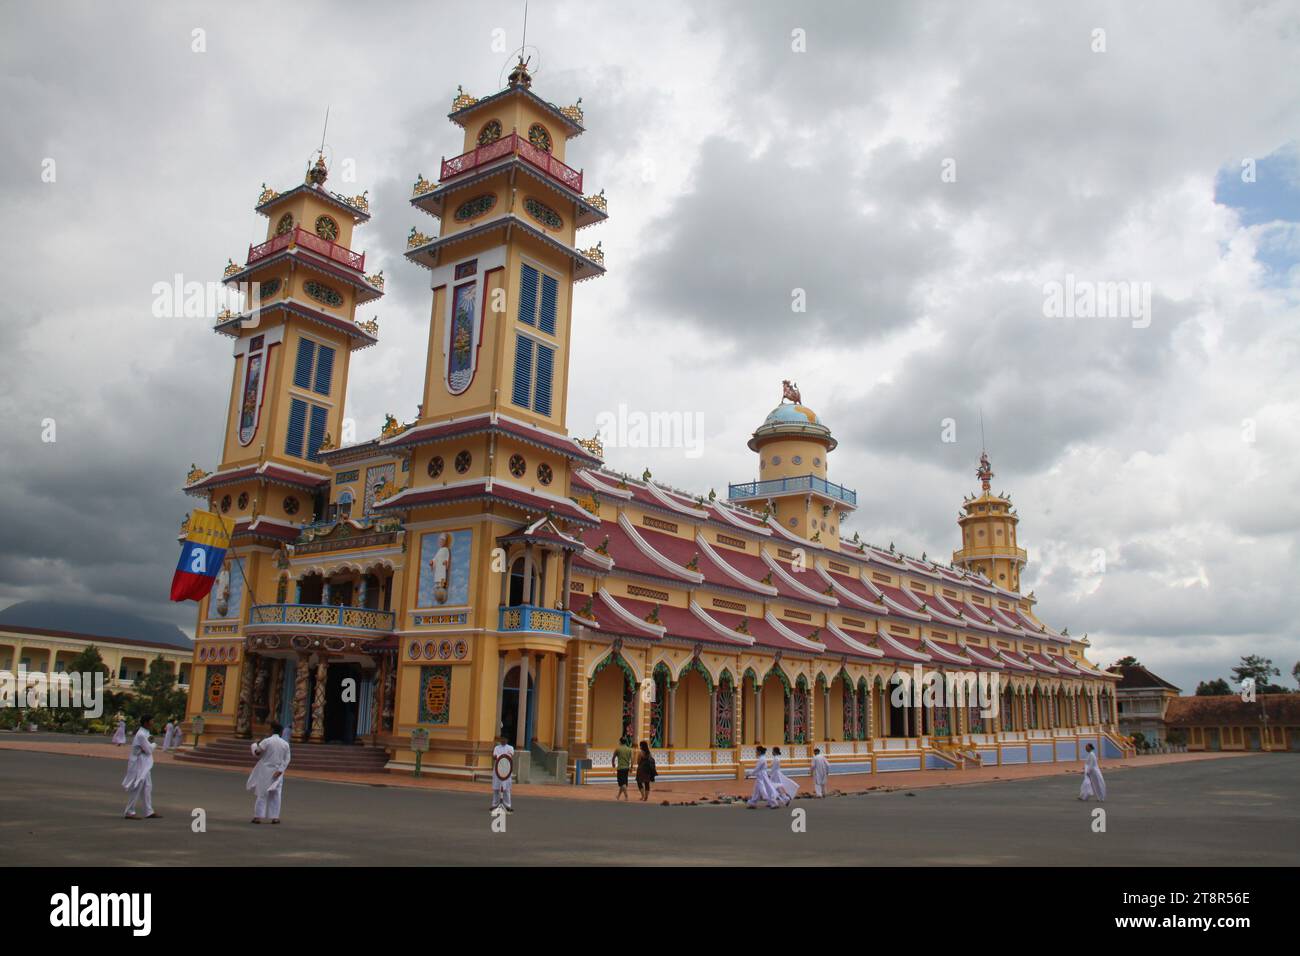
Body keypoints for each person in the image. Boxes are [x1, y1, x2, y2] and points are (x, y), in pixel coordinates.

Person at [248, 720, 292, 824]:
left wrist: (254, 745)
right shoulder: (285, 744)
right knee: (276, 794)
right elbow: (287, 759)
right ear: (281, 732)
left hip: (265, 770)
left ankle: (258, 816)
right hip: (277, 771)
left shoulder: (267, 741)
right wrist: (281, 770)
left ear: (272, 730)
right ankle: (275, 817)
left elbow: (257, 753)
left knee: (262, 792)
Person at [122, 715, 159, 819]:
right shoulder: (141, 734)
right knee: (137, 786)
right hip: (139, 763)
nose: (153, 723)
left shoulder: (146, 733)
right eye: (152, 721)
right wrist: (154, 744)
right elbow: (149, 750)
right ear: (146, 722)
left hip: (145, 763)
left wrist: (149, 745)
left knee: (148, 787)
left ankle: (149, 811)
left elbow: (147, 747)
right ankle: (129, 811)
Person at [491, 734, 514, 812]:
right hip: (497, 770)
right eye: (502, 739)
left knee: (506, 789)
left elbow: (510, 756)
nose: (503, 740)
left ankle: (508, 806)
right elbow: (494, 756)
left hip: (506, 770)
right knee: (496, 788)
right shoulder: (496, 748)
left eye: (504, 739)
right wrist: (500, 756)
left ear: (507, 740)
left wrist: (500, 756)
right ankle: (494, 805)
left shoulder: (510, 748)